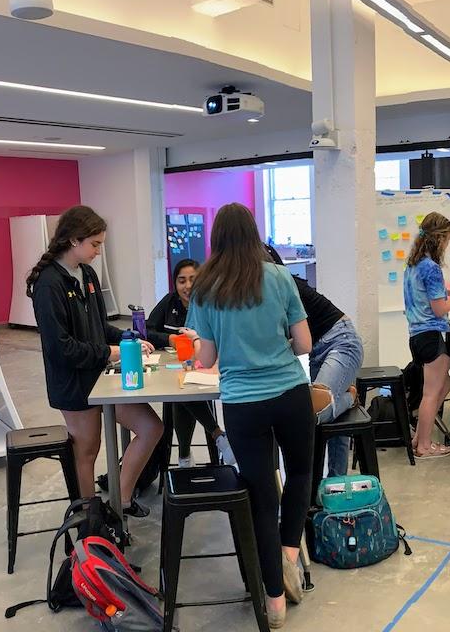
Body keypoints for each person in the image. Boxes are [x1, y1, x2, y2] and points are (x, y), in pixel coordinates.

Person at [186, 204, 316, 627]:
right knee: (299, 473)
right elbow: (304, 344)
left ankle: (273, 599)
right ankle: (290, 551)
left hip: (242, 404)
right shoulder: (279, 278)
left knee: (261, 497)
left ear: (217, 239)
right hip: (290, 394)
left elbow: (205, 358)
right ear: (254, 234)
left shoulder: (205, 289)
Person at [26, 205, 165, 518]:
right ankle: (89, 517)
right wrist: (110, 352)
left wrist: (126, 339)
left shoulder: (87, 274)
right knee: (87, 449)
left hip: (101, 375)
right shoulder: (49, 285)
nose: (99, 251)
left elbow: (99, 328)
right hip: (74, 383)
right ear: (74, 240)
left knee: (150, 427)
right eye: (96, 244)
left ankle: (121, 501)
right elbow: (62, 349)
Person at [264, 243, 364, 480]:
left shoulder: (284, 285)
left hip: (341, 341)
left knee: (313, 410)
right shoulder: (269, 290)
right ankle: (335, 483)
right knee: (331, 414)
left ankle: (349, 397)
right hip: (319, 349)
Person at [403, 211, 450, 460]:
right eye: (447, 240)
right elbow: (440, 308)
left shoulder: (413, 266)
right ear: (439, 239)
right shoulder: (431, 268)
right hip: (430, 334)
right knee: (431, 394)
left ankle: (421, 436)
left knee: (446, 383)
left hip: (417, 336)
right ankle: (423, 446)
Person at [146, 259, 222, 469]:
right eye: (181, 281)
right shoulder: (169, 302)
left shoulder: (211, 304)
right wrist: (168, 339)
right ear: (175, 284)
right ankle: (207, 442)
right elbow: (147, 330)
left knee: (182, 393)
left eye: (193, 280)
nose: (187, 286)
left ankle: (186, 456)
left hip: (206, 366)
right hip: (176, 367)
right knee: (180, 390)